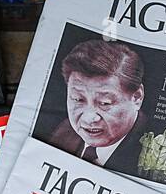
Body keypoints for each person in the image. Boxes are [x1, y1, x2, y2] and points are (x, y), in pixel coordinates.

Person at [46, 39, 147, 171]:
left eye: (104, 103)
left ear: (137, 97)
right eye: (77, 99)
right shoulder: (64, 132)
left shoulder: (151, 149)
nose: (88, 118)